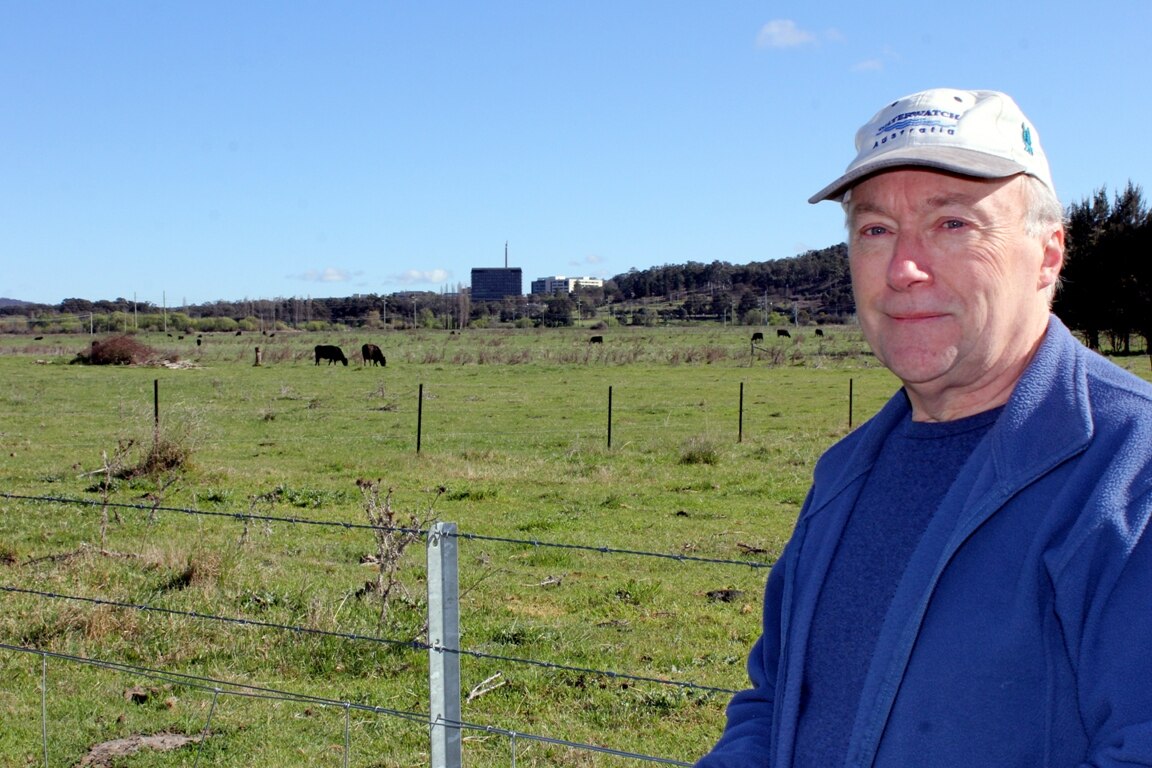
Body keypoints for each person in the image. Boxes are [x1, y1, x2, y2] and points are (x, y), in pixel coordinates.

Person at [696, 88, 1152, 767]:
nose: (904, 269)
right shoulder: (844, 474)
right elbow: (774, 703)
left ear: (1048, 255)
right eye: (876, 230)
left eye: (953, 224)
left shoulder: (1130, 471)